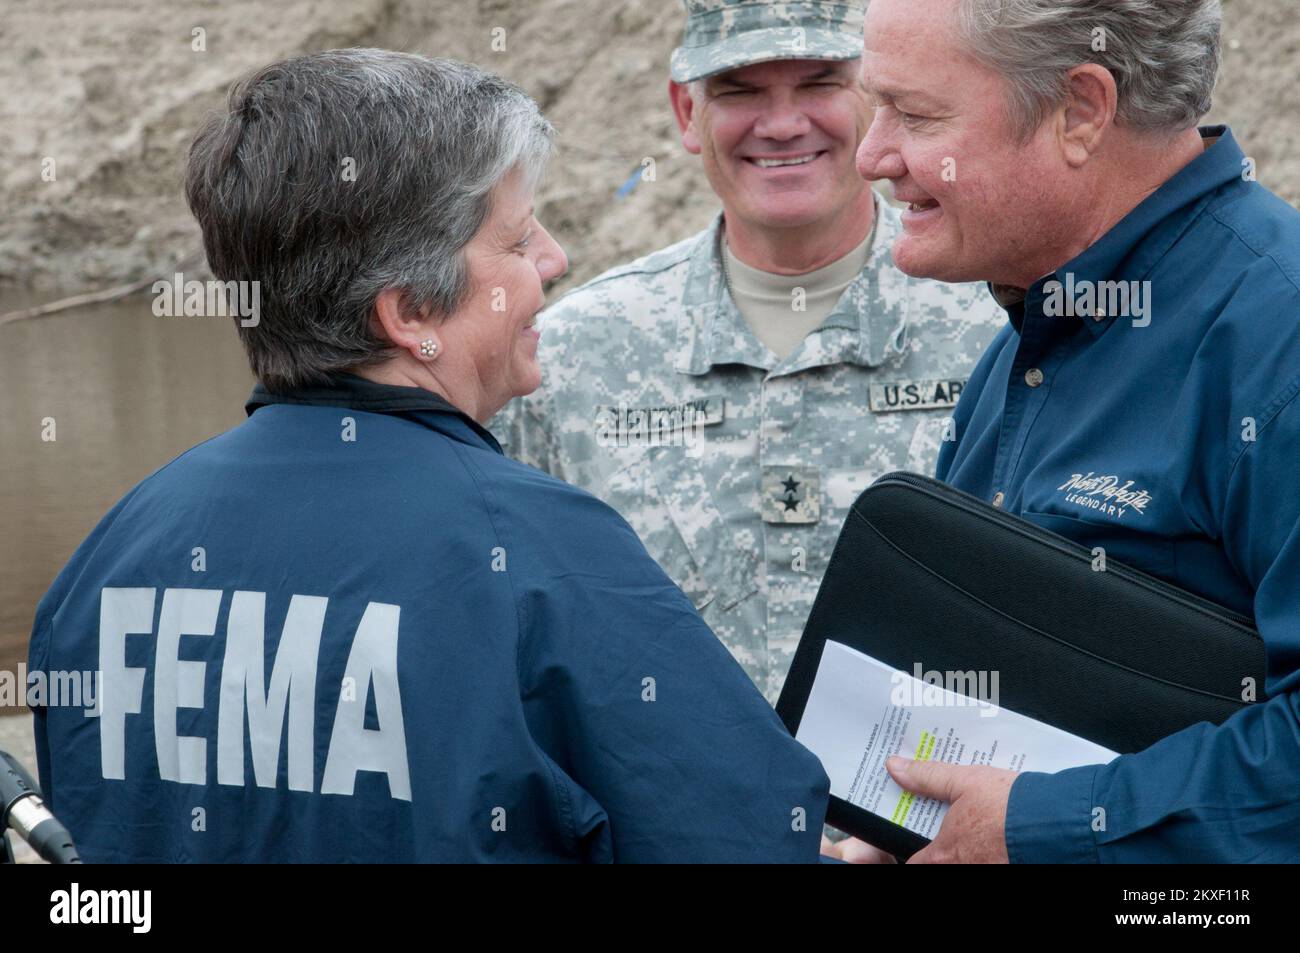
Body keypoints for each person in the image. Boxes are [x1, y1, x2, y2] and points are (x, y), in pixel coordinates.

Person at [26, 49, 831, 863]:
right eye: (517, 242)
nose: (554, 260)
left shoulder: (106, 562)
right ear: (413, 312)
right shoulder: (542, 556)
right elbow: (757, 840)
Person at [855, 0, 1300, 862]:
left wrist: (1037, 830)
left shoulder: (1276, 340)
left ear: (1081, 110)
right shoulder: (1030, 337)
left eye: (913, 113)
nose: (871, 154)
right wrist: (923, 828)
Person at [491, 0, 1004, 705]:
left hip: (924, 809)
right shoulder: (569, 356)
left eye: (820, 82)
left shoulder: (995, 336)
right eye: (740, 90)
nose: (783, 123)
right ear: (685, 112)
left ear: (877, 102)